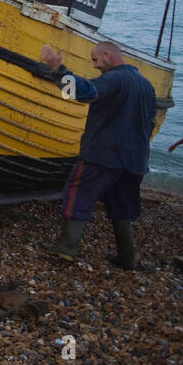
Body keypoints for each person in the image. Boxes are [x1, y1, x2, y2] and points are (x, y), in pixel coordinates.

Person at [37, 40, 158, 270]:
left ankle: (66, 249)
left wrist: (58, 69)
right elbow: (150, 122)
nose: (94, 66)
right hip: (135, 160)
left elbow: (85, 93)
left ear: (107, 55)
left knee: (77, 193)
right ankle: (127, 258)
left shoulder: (115, 79)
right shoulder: (146, 86)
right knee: (121, 205)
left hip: (104, 154)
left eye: (95, 60)